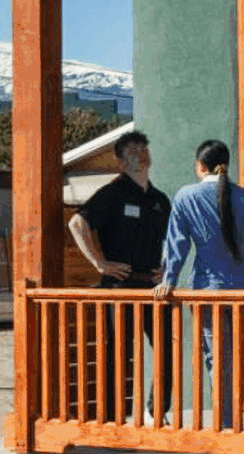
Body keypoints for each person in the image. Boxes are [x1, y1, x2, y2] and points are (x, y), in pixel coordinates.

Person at [153, 140, 244, 430]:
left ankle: (225, 422)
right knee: (243, 355)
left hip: (207, 287)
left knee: (217, 357)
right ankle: (237, 416)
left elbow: (177, 245)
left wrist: (169, 280)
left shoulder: (186, 196)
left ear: (200, 166)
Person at [68, 129, 174, 422]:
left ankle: (157, 411)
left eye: (144, 148)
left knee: (166, 348)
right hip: (119, 286)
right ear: (120, 160)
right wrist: (99, 263)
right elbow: (77, 224)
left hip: (152, 287)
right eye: (133, 150)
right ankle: (113, 415)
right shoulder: (113, 193)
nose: (141, 153)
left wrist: (166, 267)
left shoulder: (159, 199)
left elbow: (172, 239)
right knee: (118, 351)